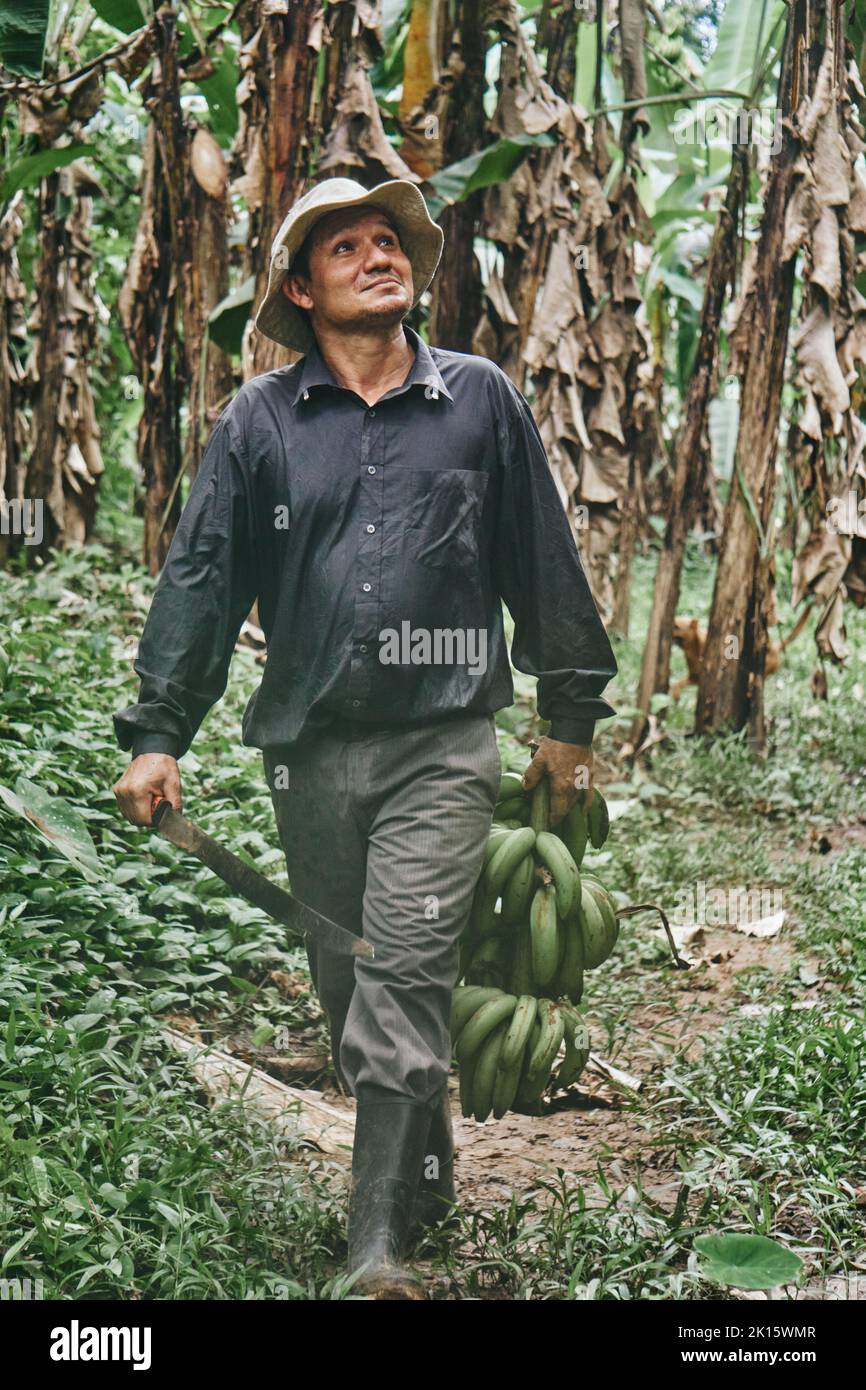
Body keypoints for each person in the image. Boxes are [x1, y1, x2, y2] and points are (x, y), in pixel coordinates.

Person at [112, 176, 617, 1300]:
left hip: (442, 745)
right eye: (347, 247)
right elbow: (201, 580)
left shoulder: (477, 400)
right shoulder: (260, 422)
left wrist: (568, 722)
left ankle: (374, 1255)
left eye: (389, 241)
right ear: (302, 287)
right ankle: (420, 1175)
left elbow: (540, 558)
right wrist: (157, 733)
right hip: (310, 751)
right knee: (353, 993)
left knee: (399, 976)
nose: (379, 256)